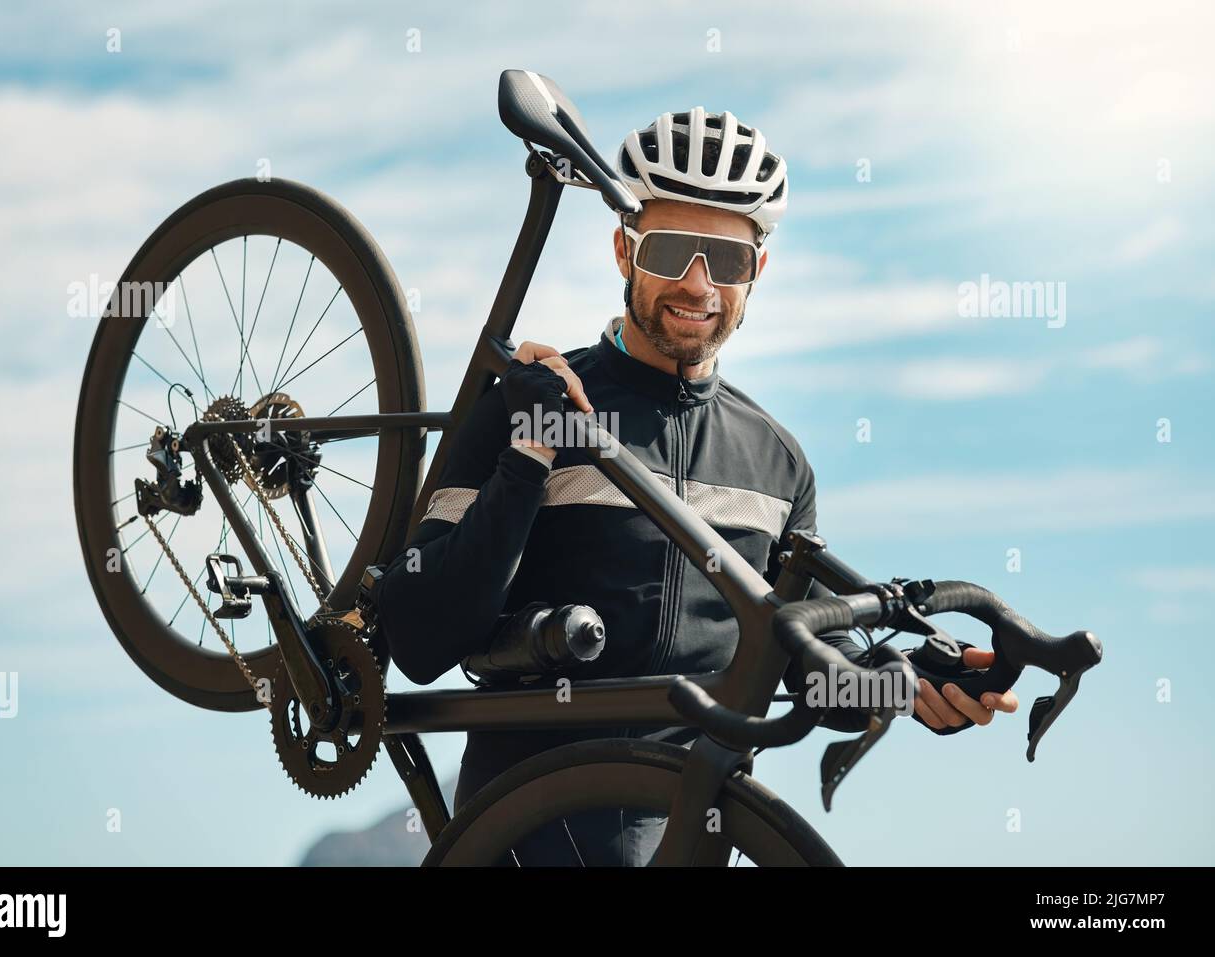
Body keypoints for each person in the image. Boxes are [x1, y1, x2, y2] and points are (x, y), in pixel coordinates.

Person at [375, 106, 1018, 866]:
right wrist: (527, 457)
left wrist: (901, 684)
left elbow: (807, 659)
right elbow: (419, 638)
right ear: (623, 248)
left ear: (760, 270)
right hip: (521, 837)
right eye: (673, 248)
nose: (697, 282)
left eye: (728, 259)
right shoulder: (529, 402)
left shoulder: (779, 465)